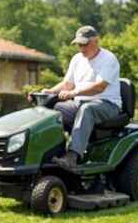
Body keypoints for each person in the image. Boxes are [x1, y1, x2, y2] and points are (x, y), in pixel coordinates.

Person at [44, 25, 122, 170]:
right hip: (79, 104)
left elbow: (99, 86)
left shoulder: (108, 59)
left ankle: (72, 156)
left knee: (87, 110)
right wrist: (48, 93)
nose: (81, 48)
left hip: (107, 105)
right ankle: (51, 151)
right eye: (79, 44)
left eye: (84, 44)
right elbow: (67, 84)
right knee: (51, 110)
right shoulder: (77, 59)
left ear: (96, 41)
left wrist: (74, 93)